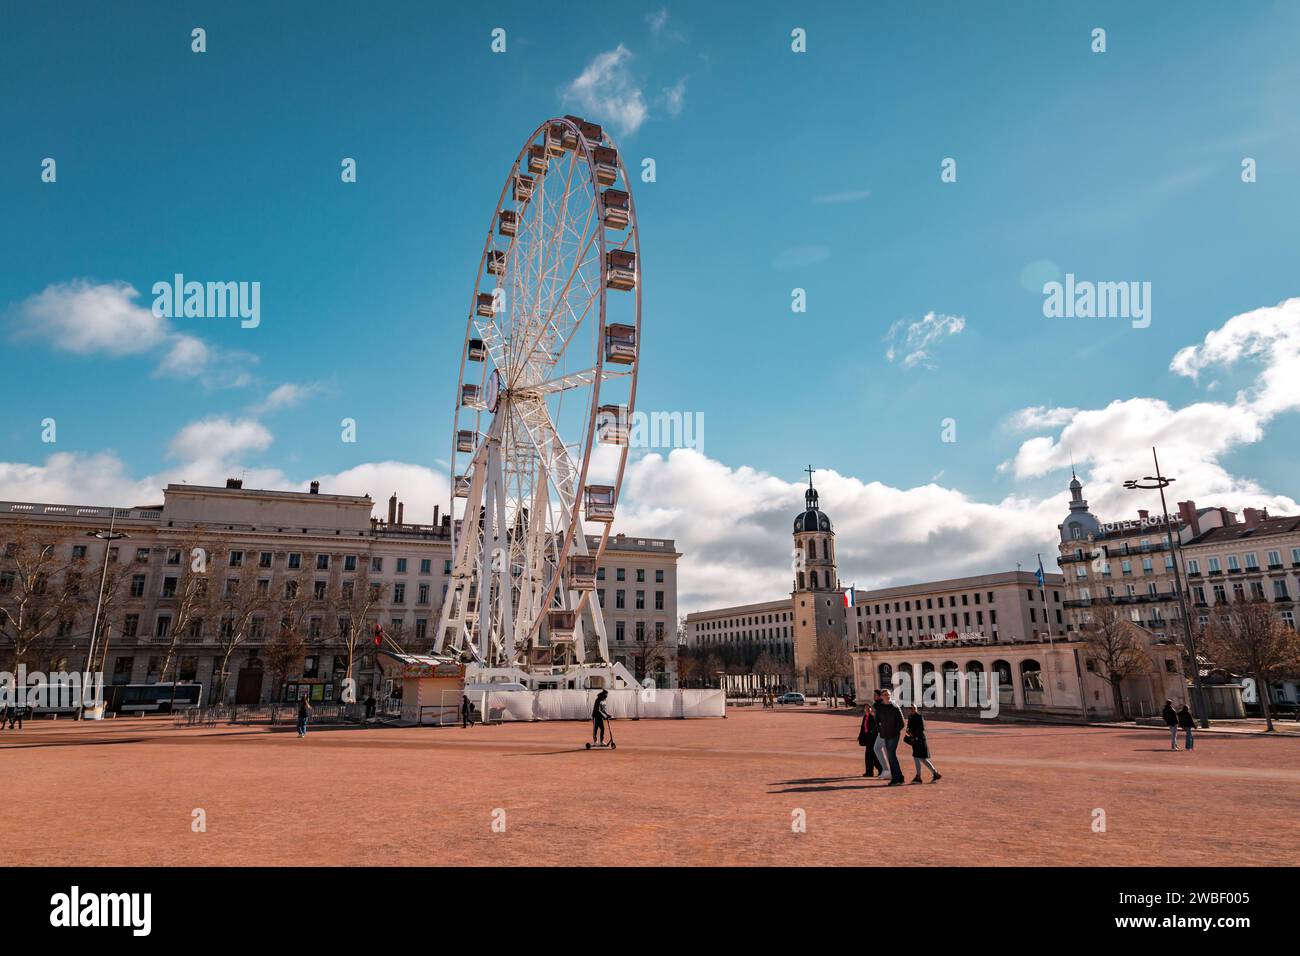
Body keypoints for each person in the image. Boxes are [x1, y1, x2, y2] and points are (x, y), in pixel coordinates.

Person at [876, 688, 906, 785]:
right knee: (891, 756)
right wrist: (880, 731)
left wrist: (894, 731)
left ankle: (896, 778)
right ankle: (899, 777)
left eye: (888, 694)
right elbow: (877, 720)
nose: (887, 696)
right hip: (885, 735)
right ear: (881, 697)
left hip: (894, 735)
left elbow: (902, 723)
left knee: (891, 755)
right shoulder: (880, 707)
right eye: (884, 694)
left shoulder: (895, 707)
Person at [906, 705, 942, 783]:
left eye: (914, 708)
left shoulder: (919, 716)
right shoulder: (910, 717)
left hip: (920, 739)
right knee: (920, 758)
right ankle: (934, 773)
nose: (912, 710)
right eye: (911, 708)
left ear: (916, 709)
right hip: (915, 740)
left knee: (919, 757)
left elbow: (921, 728)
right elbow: (909, 727)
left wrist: (914, 735)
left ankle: (919, 776)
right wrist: (908, 731)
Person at [860, 697, 883, 777]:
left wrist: (870, 733)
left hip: (873, 738)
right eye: (865, 708)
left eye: (868, 708)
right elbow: (863, 728)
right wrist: (860, 736)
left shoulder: (872, 717)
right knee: (871, 755)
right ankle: (870, 771)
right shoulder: (865, 717)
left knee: (871, 755)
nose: (866, 709)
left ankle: (879, 770)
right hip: (867, 738)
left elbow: (874, 728)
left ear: (870, 709)